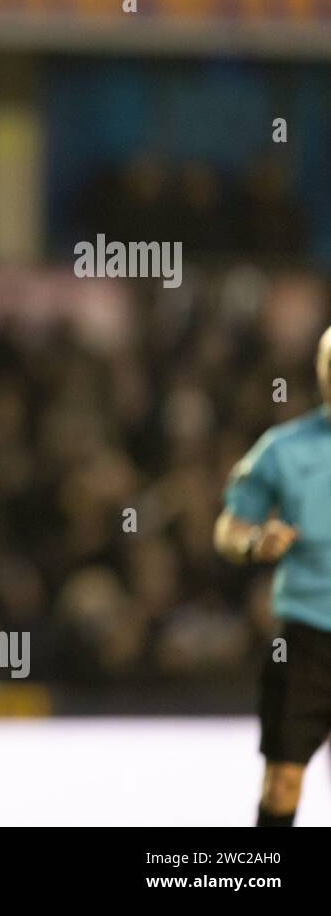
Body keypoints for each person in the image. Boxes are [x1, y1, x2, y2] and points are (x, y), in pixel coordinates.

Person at [215, 325, 331, 826]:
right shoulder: (284, 448)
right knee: (282, 781)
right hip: (306, 636)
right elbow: (230, 525)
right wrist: (253, 542)